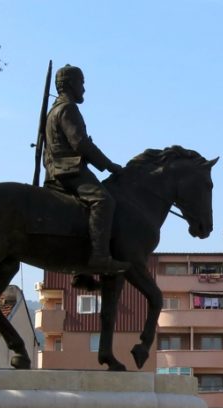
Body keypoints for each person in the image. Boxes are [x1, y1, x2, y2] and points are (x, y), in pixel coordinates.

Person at [42, 64, 129, 274]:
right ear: (71, 84)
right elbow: (80, 143)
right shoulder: (68, 109)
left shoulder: (53, 109)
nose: (84, 89)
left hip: (54, 169)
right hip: (68, 170)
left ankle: (80, 271)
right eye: (82, 83)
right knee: (104, 201)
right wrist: (110, 166)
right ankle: (100, 257)